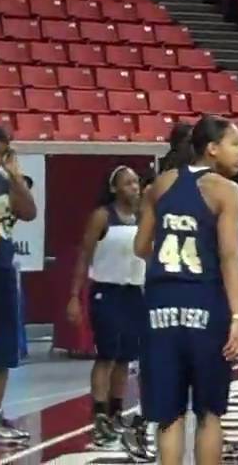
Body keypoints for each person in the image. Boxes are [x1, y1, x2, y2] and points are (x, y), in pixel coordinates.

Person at [132, 115, 238, 465]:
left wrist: (178, 262)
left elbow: (141, 247)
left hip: (160, 307)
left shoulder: (161, 183)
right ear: (212, 149)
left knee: (169, 416)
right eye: (236, 143)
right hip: (204, 305)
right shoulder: (227, 190)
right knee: (209, 413)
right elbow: (229, 257)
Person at [66, 165, 146, 447]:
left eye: (136, 182)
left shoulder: (144, 218)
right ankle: (99, 416)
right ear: (114, 188)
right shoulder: (102, 216)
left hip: (135, 292)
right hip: (106, 292)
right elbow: (84, 256)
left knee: (125, 358)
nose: (134, 187)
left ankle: (115, 412)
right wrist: (75, 296)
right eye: (127, 183)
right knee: (106, 357)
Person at [0, 124, 37, 443]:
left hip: (0, 272)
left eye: (2, 154)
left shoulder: (5, 182)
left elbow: (29, 213)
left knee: (0, 348)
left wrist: (16, 176)